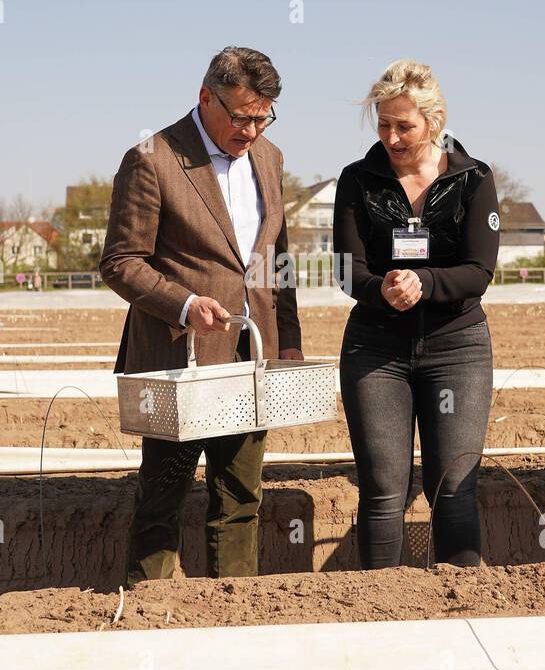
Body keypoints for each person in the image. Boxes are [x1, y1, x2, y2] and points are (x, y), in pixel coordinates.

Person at [101, 47, 303, 586]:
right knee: (164, 494)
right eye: (240, 116)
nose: (252, 130)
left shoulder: (270, 158)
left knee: (240, 495)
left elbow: (273, 259)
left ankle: (234, 605)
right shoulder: (152, 157)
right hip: (178, 357)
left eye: (264, 117)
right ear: (205, 97)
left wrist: (289, 342)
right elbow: (121, 262)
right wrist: (186, 305)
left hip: (250, 352)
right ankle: (149, 603)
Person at [334, 59, 499, 569]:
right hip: (376, 350)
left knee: (453, 486)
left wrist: (423, 284)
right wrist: (382, 288)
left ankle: (460, 602)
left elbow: (479, 270)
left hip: (458, 349)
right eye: (383, 123)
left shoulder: (473, 178)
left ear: (435, 121)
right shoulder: (357, 180)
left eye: (404, 125)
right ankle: (380, 610)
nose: (391, 136)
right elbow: (345, 270)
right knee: (383, 490)